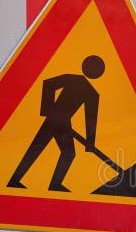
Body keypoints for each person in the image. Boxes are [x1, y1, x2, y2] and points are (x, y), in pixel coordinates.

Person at [7, 54, 104, 192]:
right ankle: (53, 185)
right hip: (58, 120)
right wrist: (47, 111)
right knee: (66, 153)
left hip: (60, 120)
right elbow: (49, 84)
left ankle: (15, 180)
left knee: (38, 148)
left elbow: (90, 119)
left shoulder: (86, 89)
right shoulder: (90, 91)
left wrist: (90, 143)